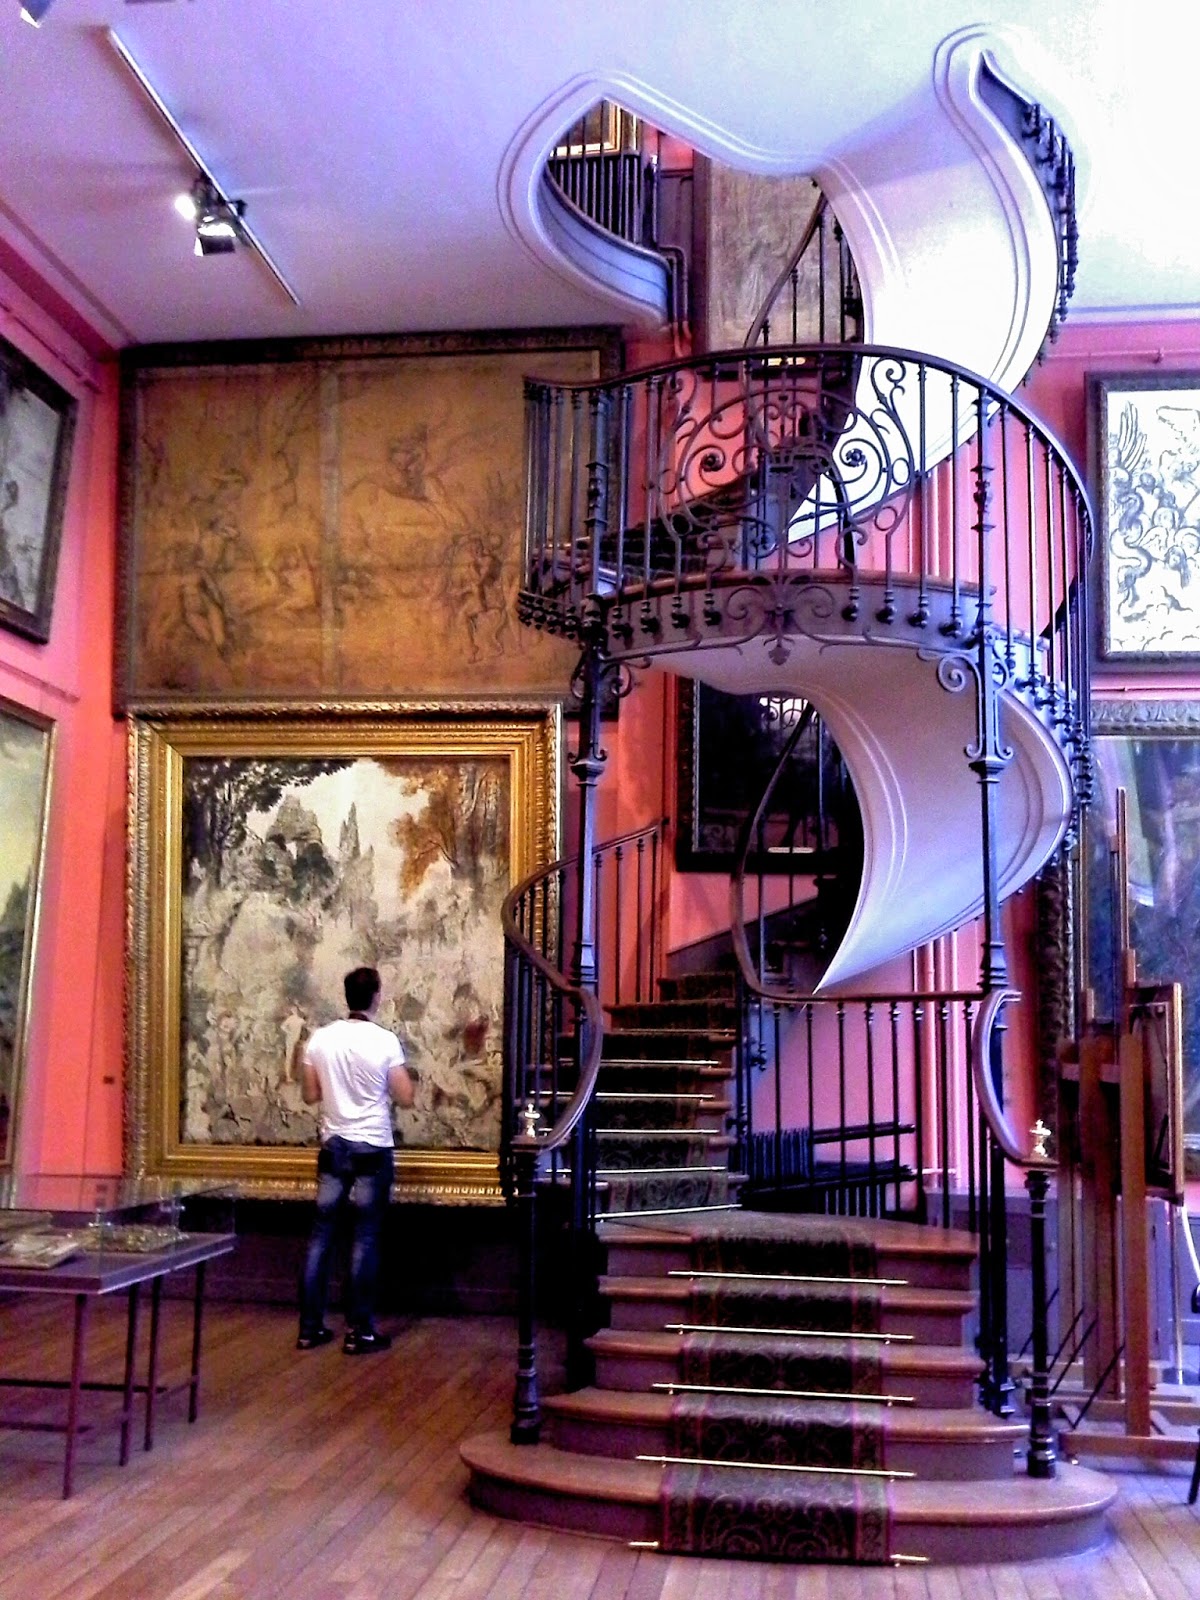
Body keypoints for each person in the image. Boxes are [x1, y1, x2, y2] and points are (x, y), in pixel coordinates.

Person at [297, 966, 414, 1354]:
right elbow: (405, 1096)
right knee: (364, 1237)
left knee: (320, 1237)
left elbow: (310, 1095)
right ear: (376, 996)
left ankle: (309, 1328)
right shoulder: (384, 1041)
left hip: (334, 1146)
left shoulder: (320, 1039)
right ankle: (359, 1331)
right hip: (372, 1147)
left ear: (346, 995)